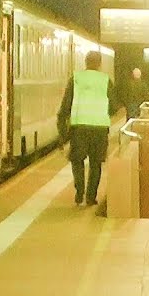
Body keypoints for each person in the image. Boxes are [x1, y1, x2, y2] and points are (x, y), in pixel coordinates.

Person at [56, 50, 120, 206]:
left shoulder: (76, 79)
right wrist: (103, 112)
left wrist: (63, 135)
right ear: (99, 64)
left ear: (85, 62)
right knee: (95, 163)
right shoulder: (105, 80)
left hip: (79, 127)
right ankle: (91, 197)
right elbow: (114, 107)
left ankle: (79, 192)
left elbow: (65, 106)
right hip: (99, 128)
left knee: (77, 160)